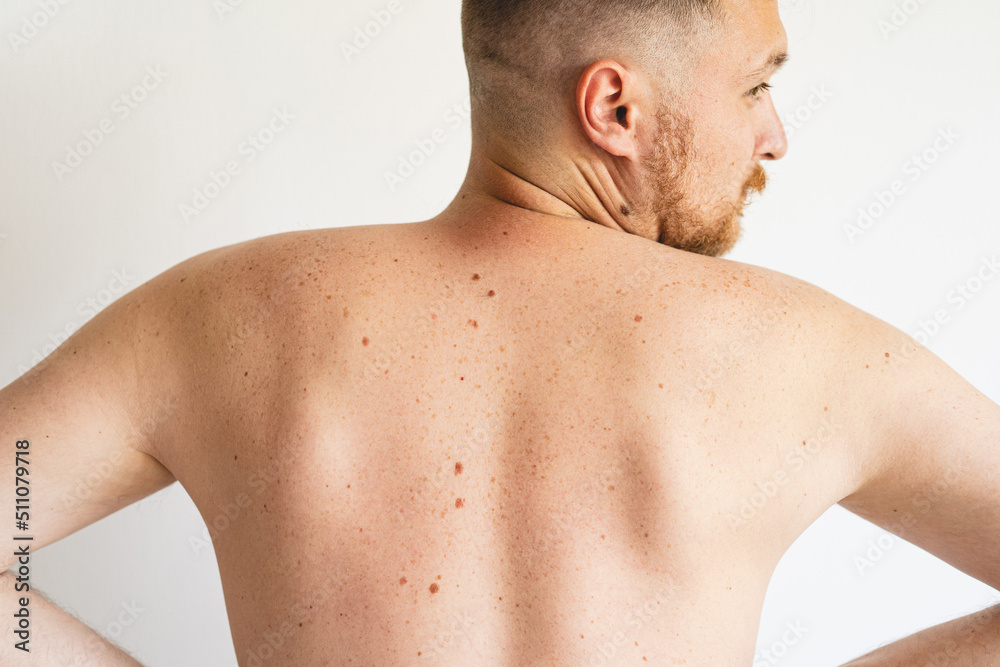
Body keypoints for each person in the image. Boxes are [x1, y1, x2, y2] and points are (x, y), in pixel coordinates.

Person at [2, 0, 998, 664]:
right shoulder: (803, 356)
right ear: (614, 105)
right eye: (752, 86)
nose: (774, 132)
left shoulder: (224, 316)